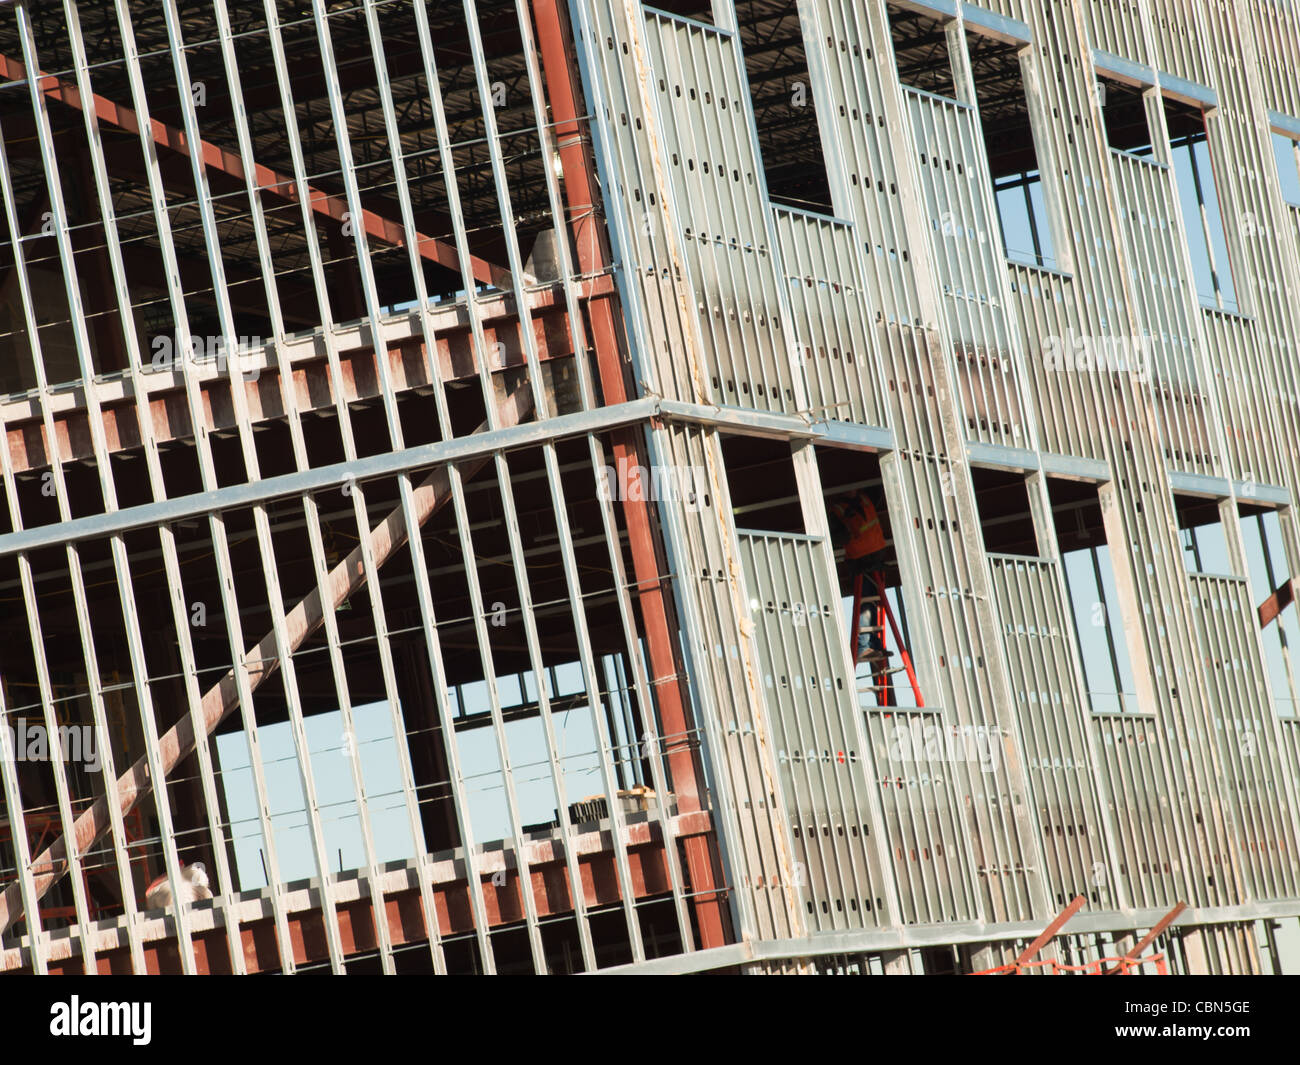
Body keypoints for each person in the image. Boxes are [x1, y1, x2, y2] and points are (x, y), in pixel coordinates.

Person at [828, 490, 890, 659]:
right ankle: (863, 647)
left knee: (873, 605)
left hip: (875, 559)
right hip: (860, 563)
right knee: (865, 607)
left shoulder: (865, 499)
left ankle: (874, 644)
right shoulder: (838, 510)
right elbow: (837, 536)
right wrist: (846, 534)